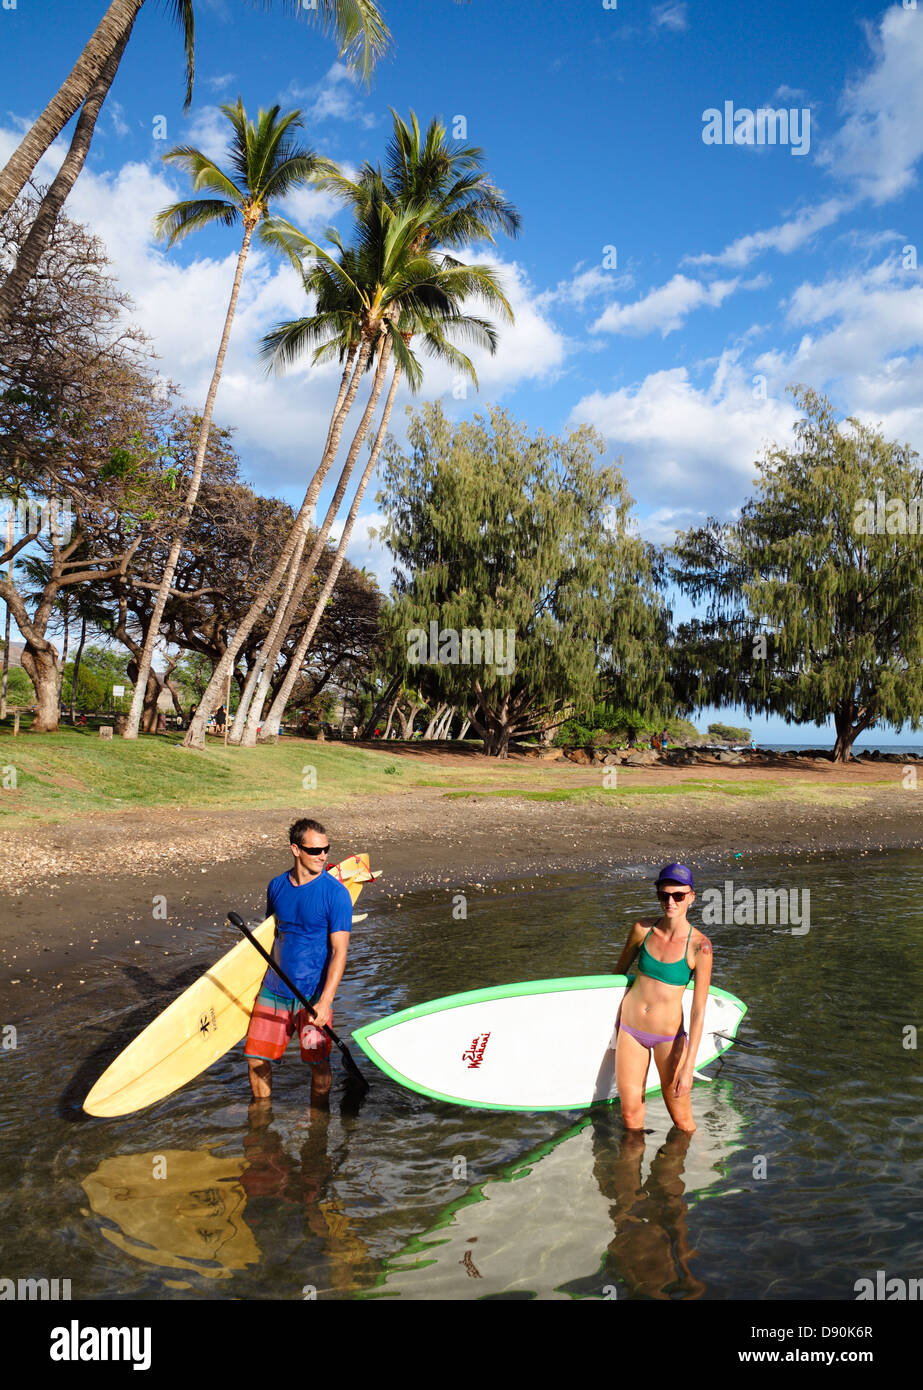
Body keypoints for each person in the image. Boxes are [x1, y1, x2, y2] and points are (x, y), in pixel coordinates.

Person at [244, 819, 353, 1104]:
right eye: (315, 850)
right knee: (256, 1059)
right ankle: (262, 1116)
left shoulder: (336, 894)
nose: (323, 856)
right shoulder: (277, 886)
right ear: (295, 849)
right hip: (274, 989)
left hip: (312, 995)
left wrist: (325, 1001)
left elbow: (340, 951)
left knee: (317, 1064)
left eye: (326, 849)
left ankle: (318, 1122)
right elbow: (272, 934)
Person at [612, 863, 712, 1133]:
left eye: (678, 896)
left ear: (691, 896)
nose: (670, 901)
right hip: (630, 1032)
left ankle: (690, 1166)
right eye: (664, 895)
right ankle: (629, 1173)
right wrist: (606, 1030)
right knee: (630, 1118)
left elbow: (698, 1011)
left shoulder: (700, 947)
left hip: (669, 1039)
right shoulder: (641, 931)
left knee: (682, 1122)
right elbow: (616, 977)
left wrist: (688, 1067)